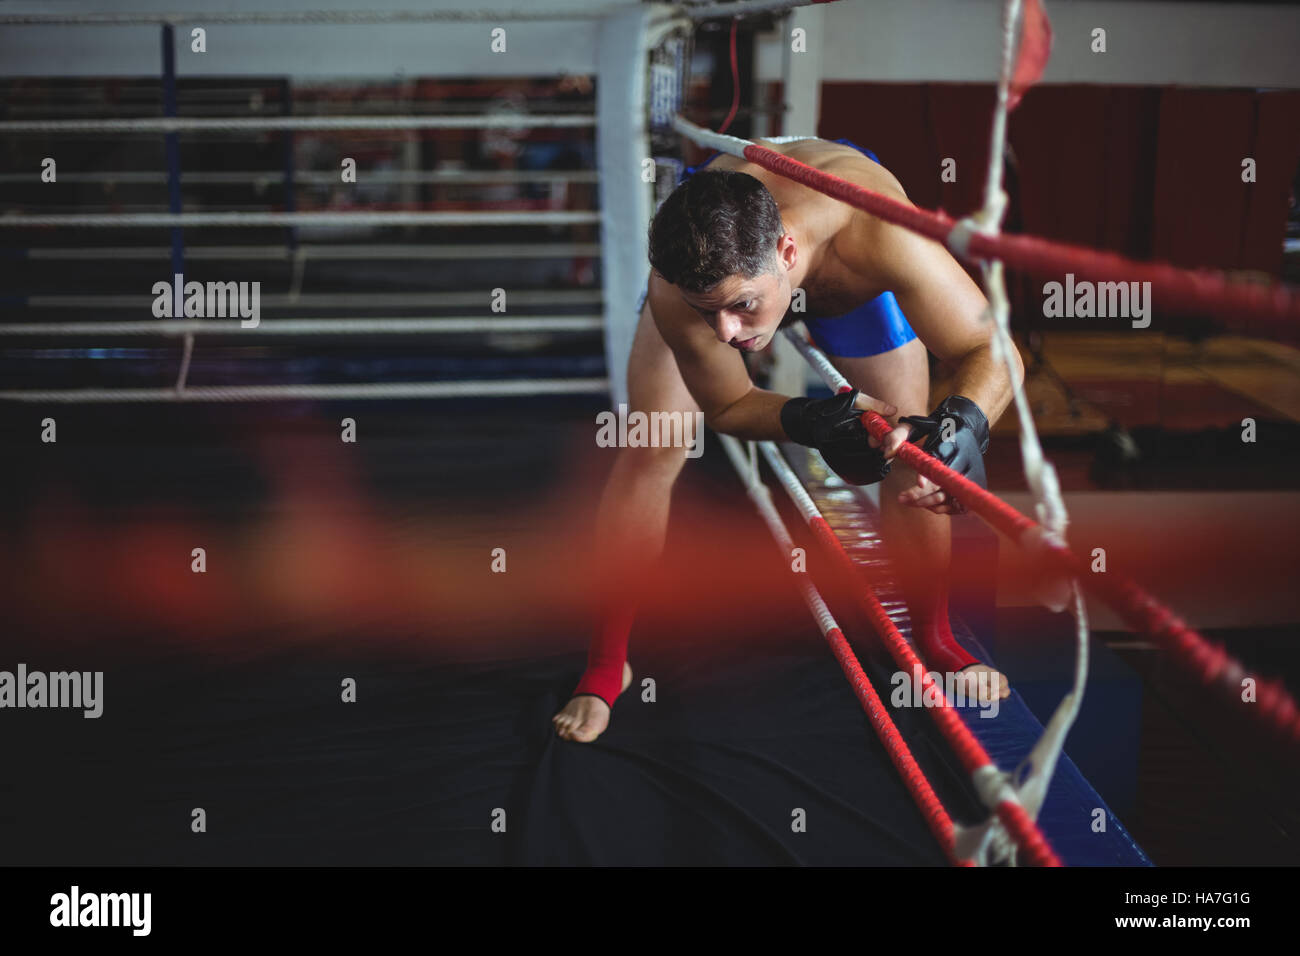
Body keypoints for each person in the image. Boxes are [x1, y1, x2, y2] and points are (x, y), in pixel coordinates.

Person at [553, 137, 1020, 743]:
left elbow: (993, 350)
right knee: (655, 444)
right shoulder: (681, 288)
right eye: (710, 312)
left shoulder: (878, 229)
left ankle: (935, 639)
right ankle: (606, 665)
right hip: (724, 215)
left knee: (912, 439)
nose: (726, 331)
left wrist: (964, 426)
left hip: (846, 257)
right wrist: (812, 420)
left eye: (743, 307)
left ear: (788, 250)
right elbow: (727, 402)